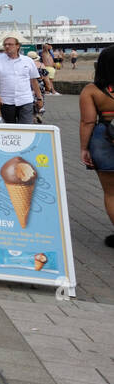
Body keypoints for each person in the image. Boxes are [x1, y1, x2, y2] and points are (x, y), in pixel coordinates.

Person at [79, 48, 114, 248]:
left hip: (104, 139)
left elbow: (87, 122)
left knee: (111, 192)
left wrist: (84, 148)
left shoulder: (91, 90)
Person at [0, 36, 43, 124]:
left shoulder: (28, 61)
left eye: (10, 44)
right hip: (6, 101)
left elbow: (34, 80)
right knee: (11, 128)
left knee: (26, 128)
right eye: (5, 45)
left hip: (25, 100)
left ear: (18, 46)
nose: (7, 46)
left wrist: (39, 98)